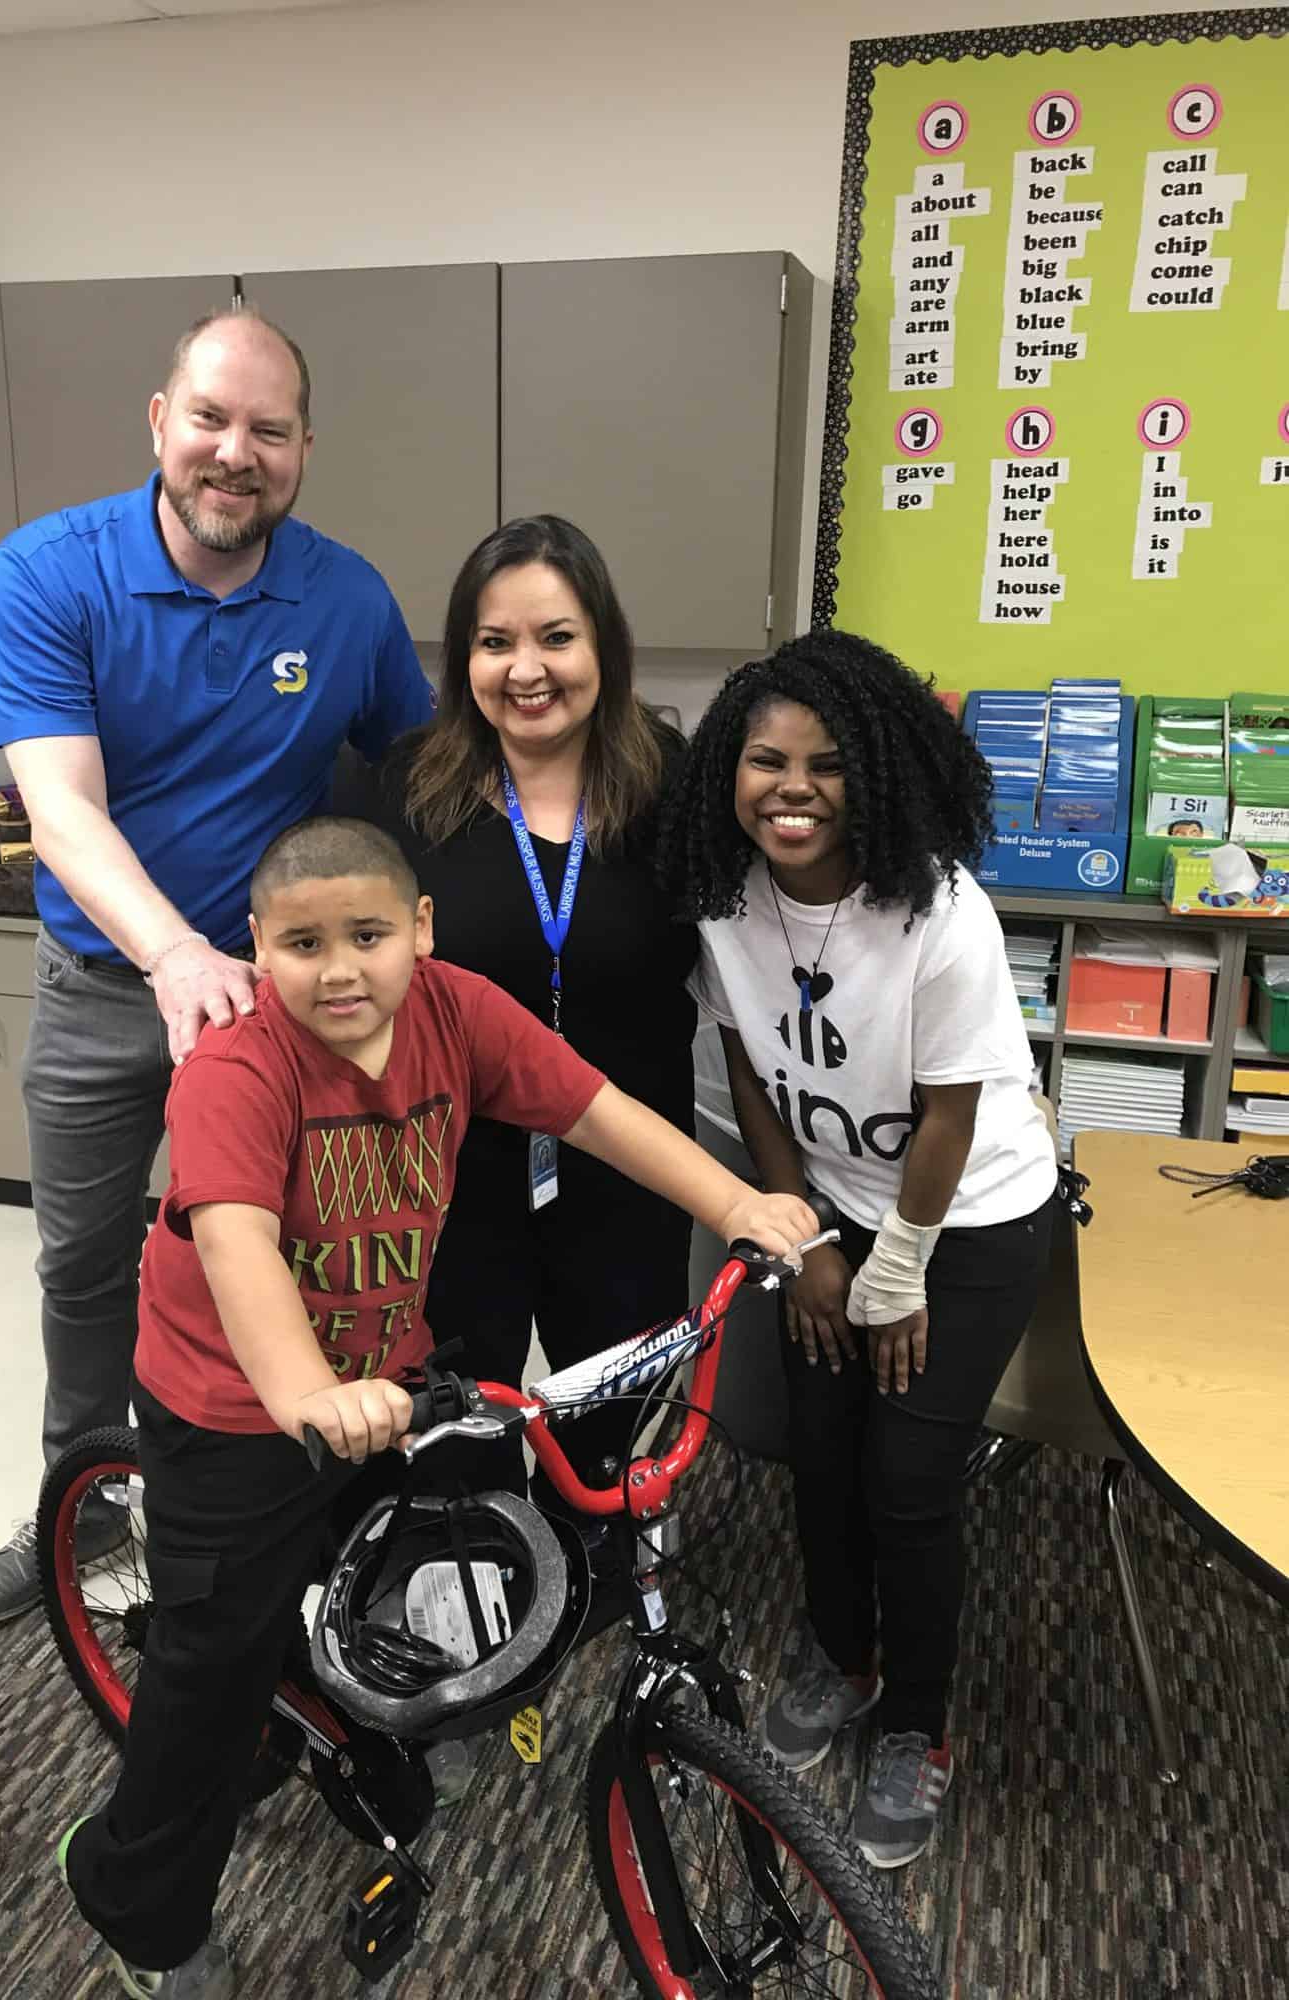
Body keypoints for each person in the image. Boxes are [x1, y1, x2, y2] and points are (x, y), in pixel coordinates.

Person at [55, 814, 819, 1998]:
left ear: (419, 929)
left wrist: (735, 1202)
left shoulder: (457, 1010)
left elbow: (595, 1107)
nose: (341, 967)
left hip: (383, 1368)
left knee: (450, 1549)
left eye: (368, 932)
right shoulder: (236, 1065)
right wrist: (307, 1390)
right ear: (257, 947)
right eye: (303, 942)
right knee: (214, 1677)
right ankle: (132, 1900)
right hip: (231, 1406)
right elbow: (239, 1245)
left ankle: (377, 1717)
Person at [0, 308, 434, 1633]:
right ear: (162, 423)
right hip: (109, 987)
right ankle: (77, 1514)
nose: (235, 452)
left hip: (285, 1014)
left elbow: (424, 773)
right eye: (210, 419)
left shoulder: (347, 599)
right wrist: (170, 955)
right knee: (85, 1268)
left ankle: (294, 1522)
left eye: (269, 430)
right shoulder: (50, 573)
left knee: (299, 1267)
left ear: (305, 450)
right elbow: (63, 805)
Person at [656, 630, 1059, 1871]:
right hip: (824, 1208)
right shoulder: (726, 898)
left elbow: (951, 1113)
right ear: (729, 765)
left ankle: (918, 1727)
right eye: (767, 759)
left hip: (967, 1219)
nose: (793, 786)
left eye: (828, 764)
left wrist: (892, 1269)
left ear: (877, 775)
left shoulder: (940, 910)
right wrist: (807, 1233)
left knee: (908, 1480)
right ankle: (841, 1656)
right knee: (820, 1454)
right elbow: (746, 1069)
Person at [342, 515, 697, 1503]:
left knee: (611, 1429)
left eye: (556, 636)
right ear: (464, 659)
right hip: (454, 1178)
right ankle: (469, 1591)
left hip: (628, 1170)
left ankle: (596, 1582)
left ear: (603, 647)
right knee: (456, 1431)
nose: (526, 668)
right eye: (496, 642)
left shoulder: (671, 789)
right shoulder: (408, 790)